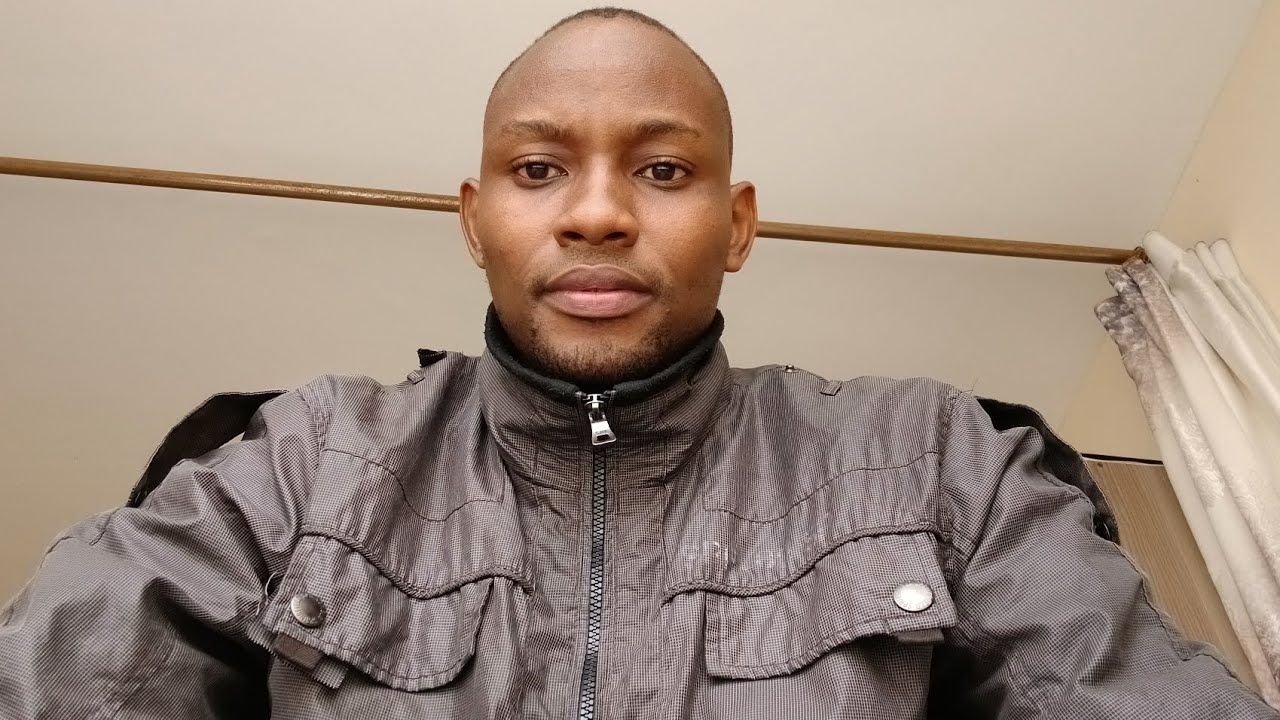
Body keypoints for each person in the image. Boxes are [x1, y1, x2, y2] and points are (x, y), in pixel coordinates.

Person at [1, 7, 1275, 719]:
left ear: (736, 225)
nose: (599, 213)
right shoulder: (302, 463)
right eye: (538, 167)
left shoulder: (939, 461)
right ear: (475, 219)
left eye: (662, 170)